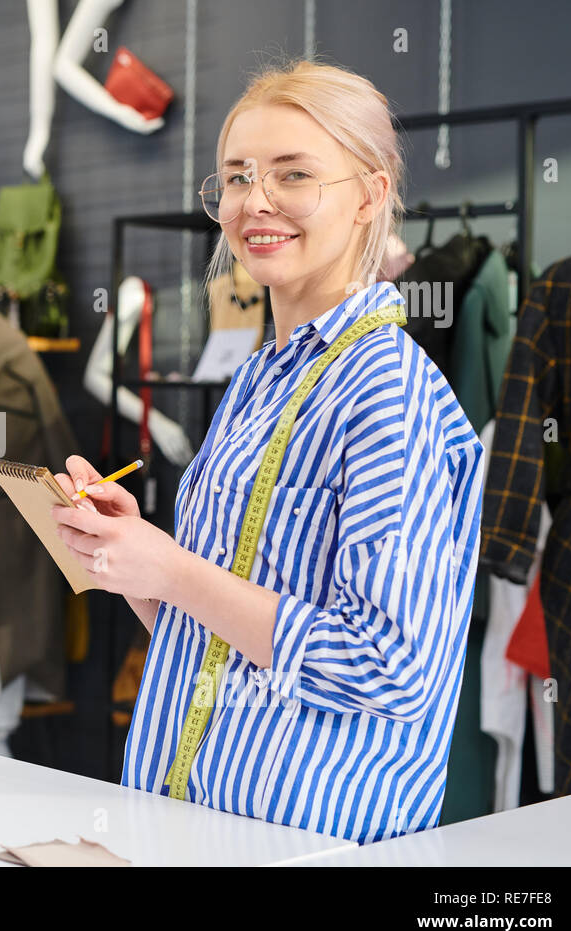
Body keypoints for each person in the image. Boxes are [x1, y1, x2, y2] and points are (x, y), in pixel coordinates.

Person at [52, 59, 485, 845]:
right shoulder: (259, 378)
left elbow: (389, 667)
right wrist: (132, 566)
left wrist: (175, 568)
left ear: (369, 196)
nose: (256, 202)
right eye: (237, 177)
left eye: (294, 174)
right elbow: (221, 635)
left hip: (302, 843)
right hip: (182, 818)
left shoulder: (389, 390)